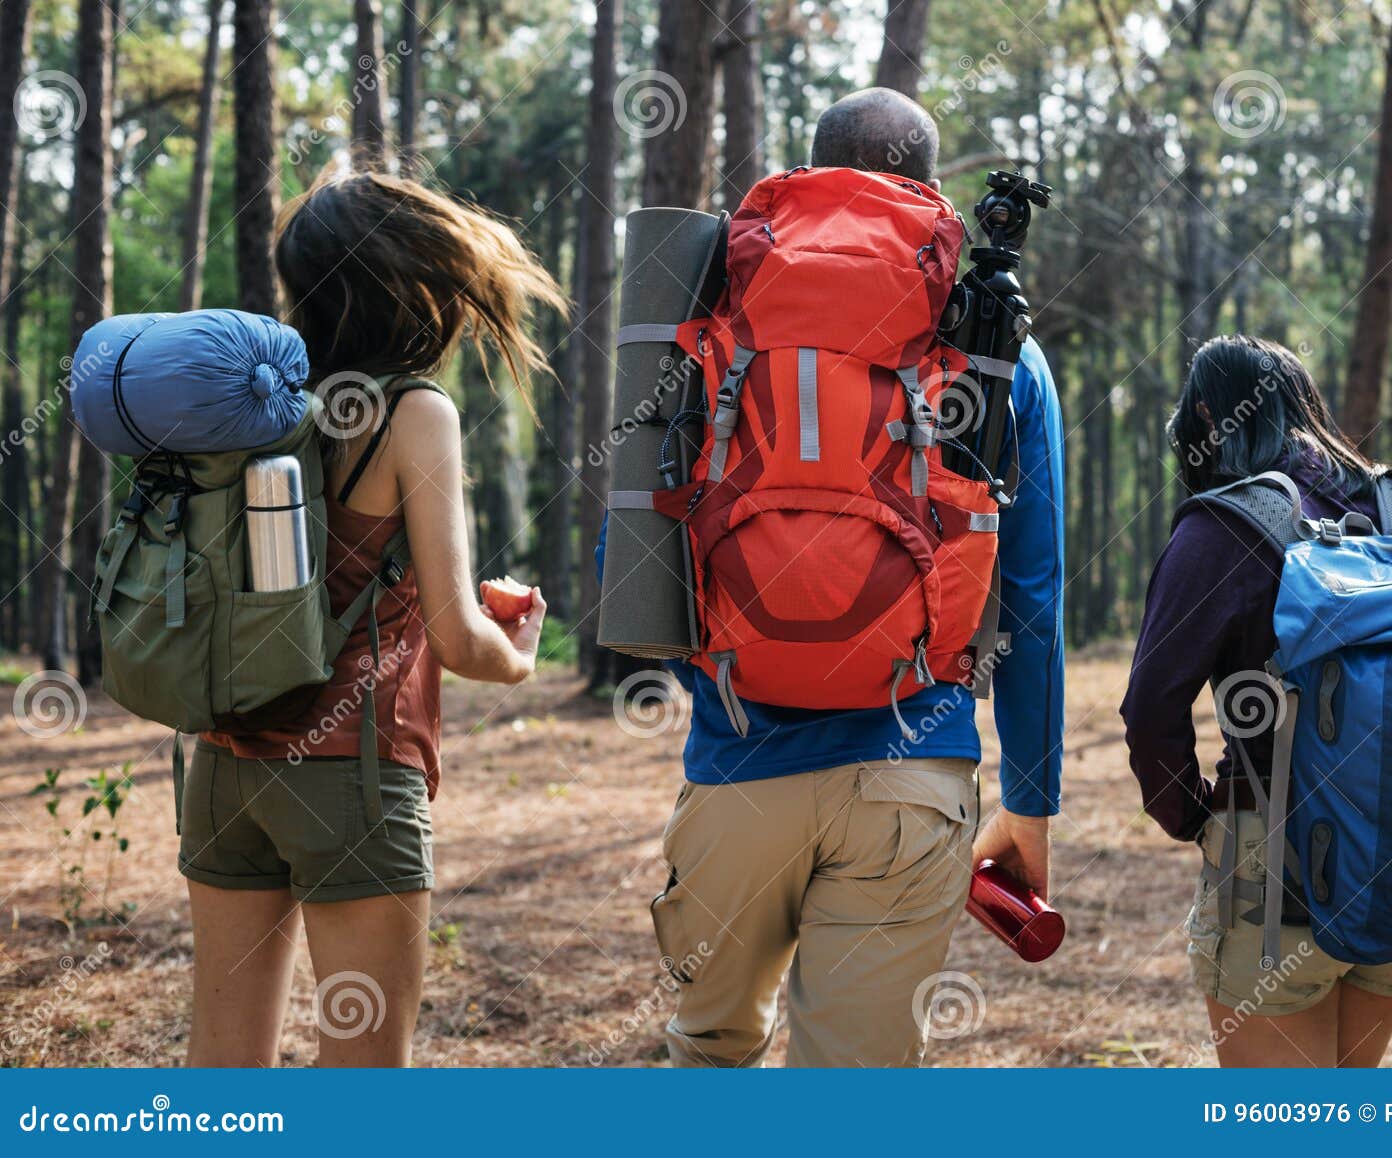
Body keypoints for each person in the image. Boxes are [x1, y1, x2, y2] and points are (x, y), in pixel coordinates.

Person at [631, 87, 1067, 1067]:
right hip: (909, 774)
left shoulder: (711, 314)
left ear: (813, 170)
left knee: (708, 1052)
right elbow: (1033, 605)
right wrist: (1030, 803)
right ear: (926, 189)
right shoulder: (998, 350)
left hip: (735, 768)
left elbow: (647, 518)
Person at [180, 170, 562, 1067]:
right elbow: (462, 637)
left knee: (224, 1069)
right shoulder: (413, 410)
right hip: (350, 774)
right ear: (408, 283)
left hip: (225, 765)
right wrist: (520, 655)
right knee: (362, 1081)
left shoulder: (250, 401)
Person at [1121, 335, 1392, 1067]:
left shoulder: (1221, 529)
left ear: (1206, 414)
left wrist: (1195, 817)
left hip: (1278, 867)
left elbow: (1151, 710)